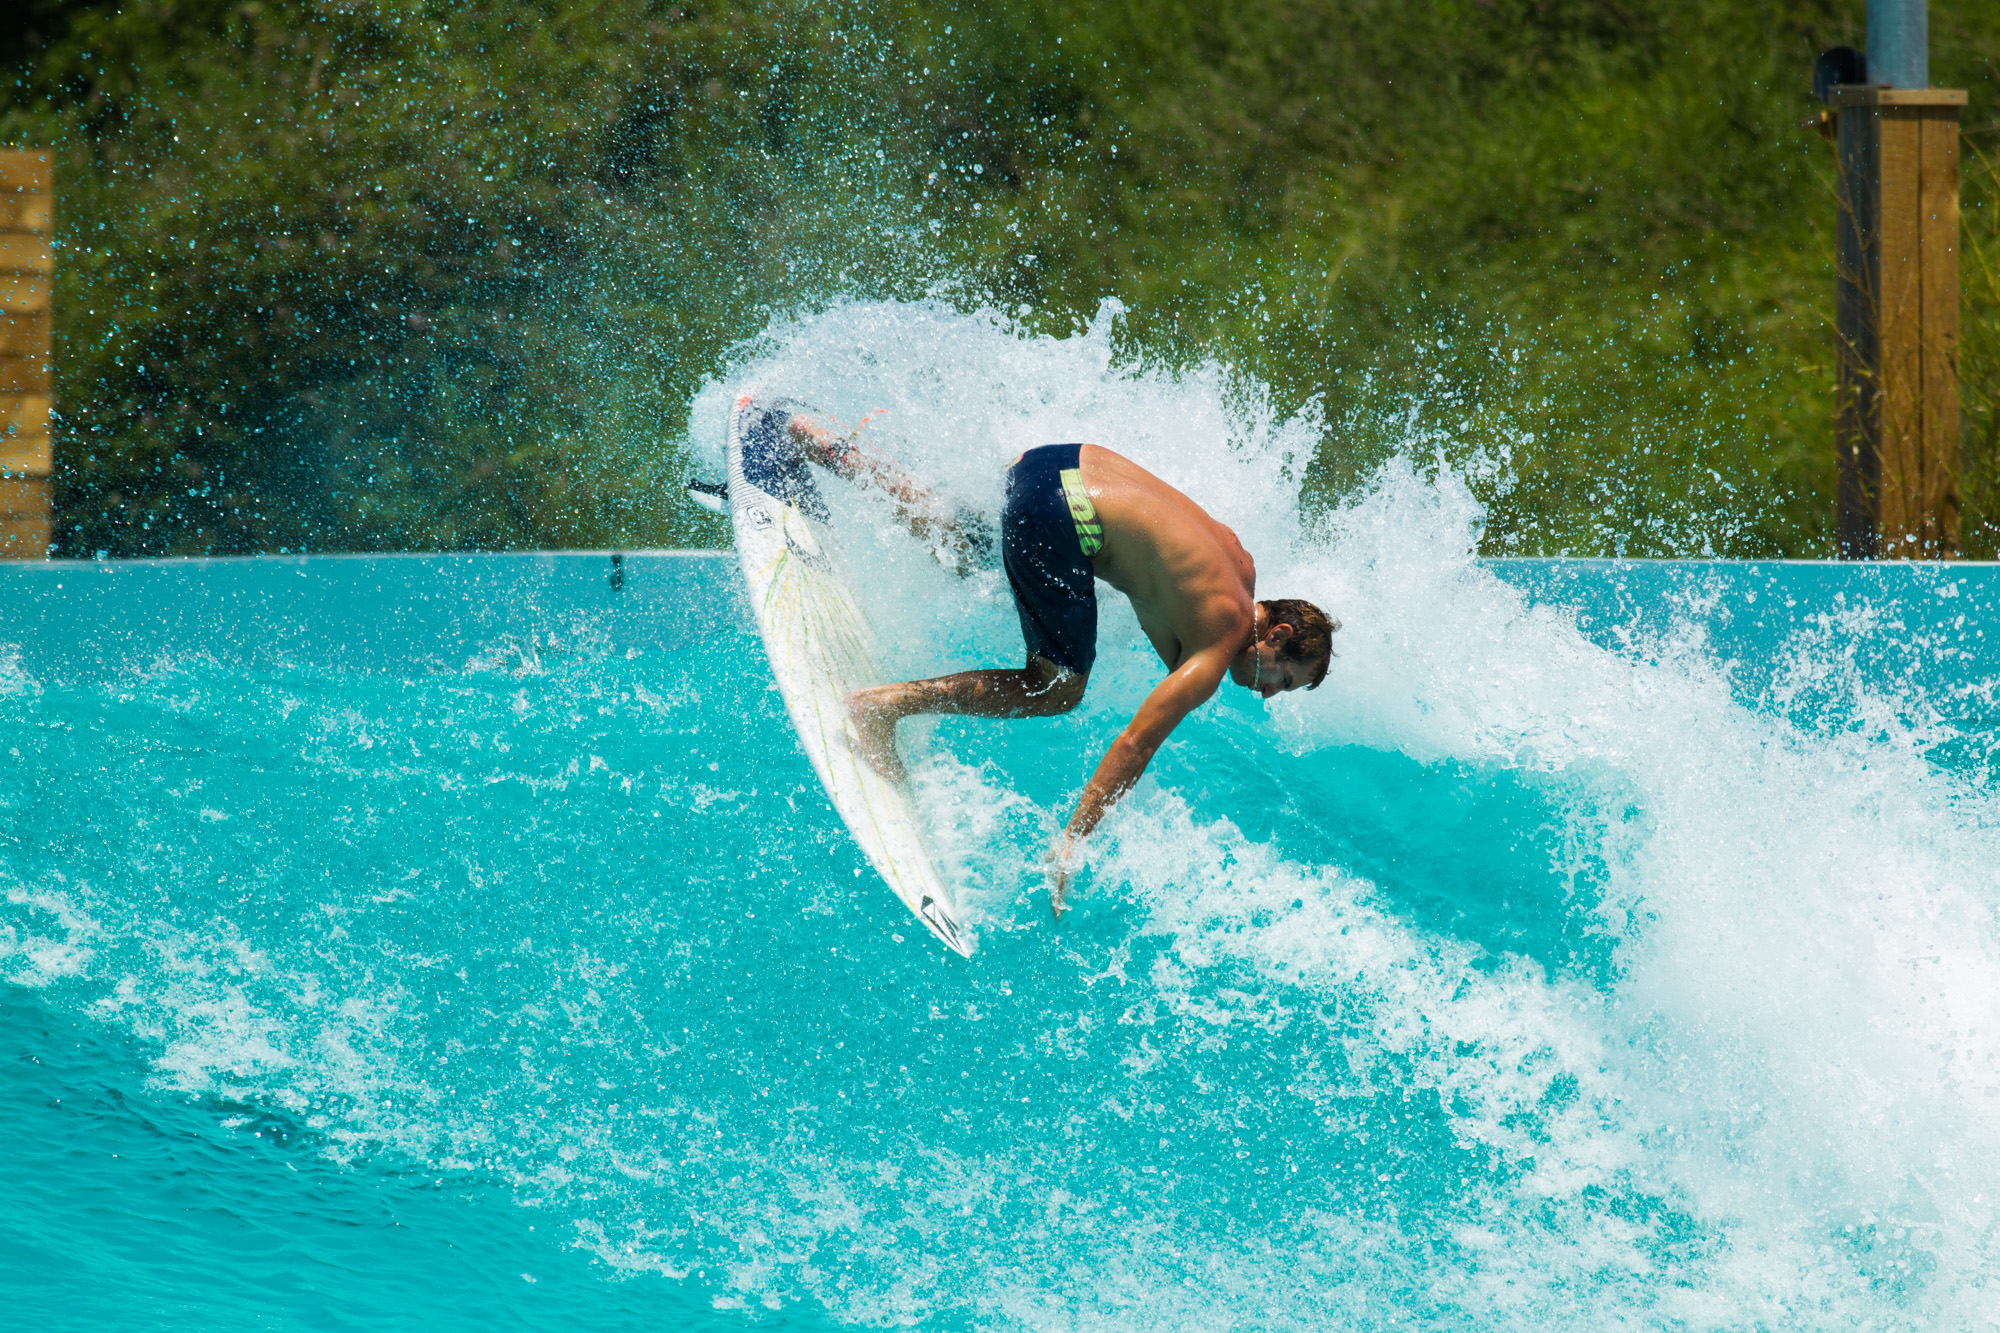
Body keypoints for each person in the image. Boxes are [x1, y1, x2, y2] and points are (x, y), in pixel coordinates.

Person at [790, 418, 1338, 914]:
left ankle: (823, 444)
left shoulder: (1238, 563)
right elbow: (1135, 745)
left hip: (1051, 464)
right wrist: (1073, 839)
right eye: (1281, 679)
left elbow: (1156, 567)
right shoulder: (1219, 642)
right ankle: (882, 707)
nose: (1267, 694)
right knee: (1056, 688)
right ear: (1279, 634)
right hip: (1065, 515)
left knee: (962, 542)